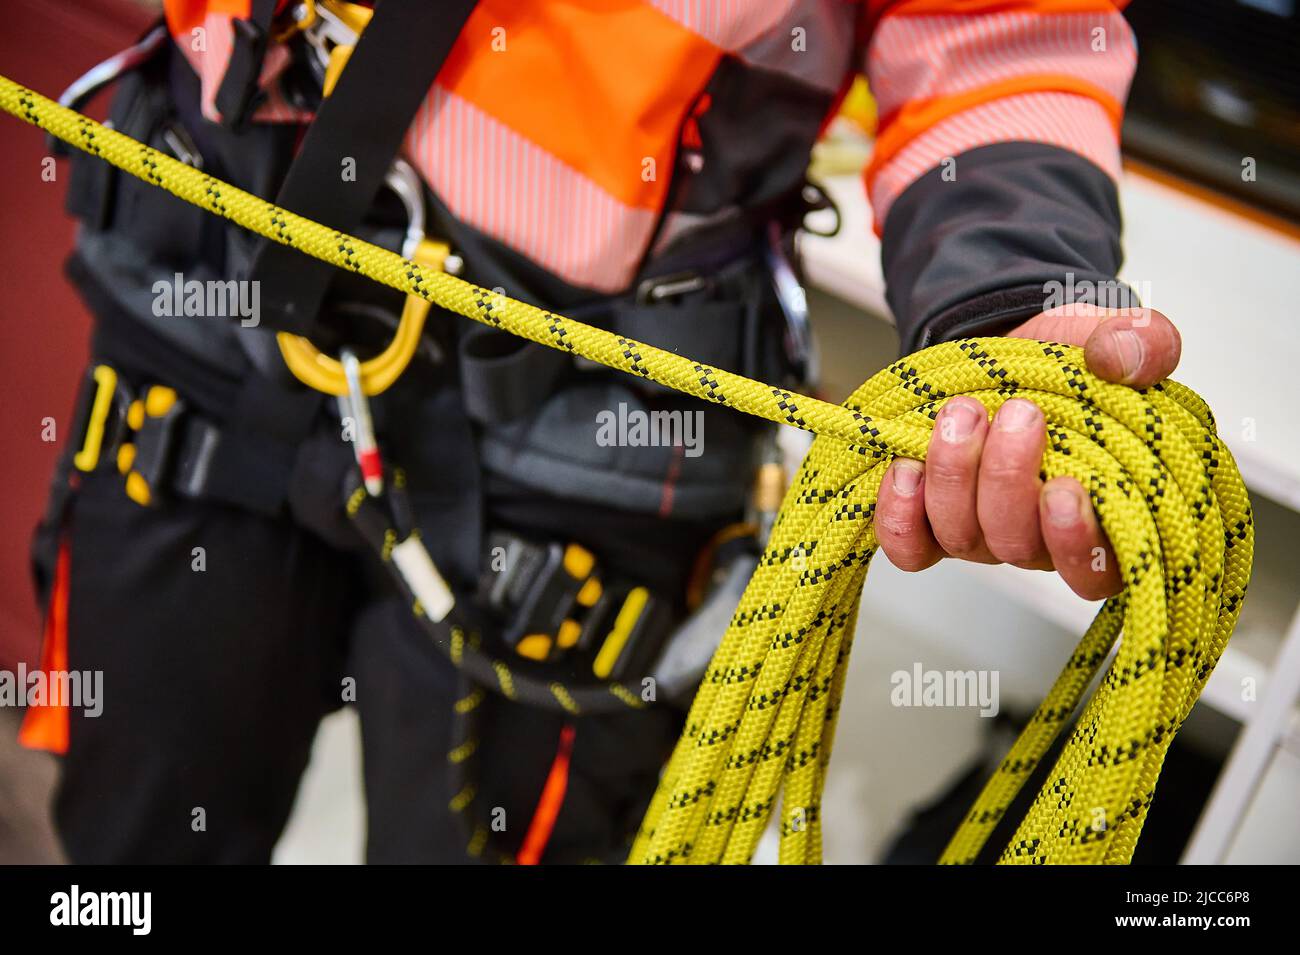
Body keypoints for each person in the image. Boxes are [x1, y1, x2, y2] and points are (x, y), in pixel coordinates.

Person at [20, 0, 1179, 863]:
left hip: (593, 429)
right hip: (221, 289)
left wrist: (1009, 308)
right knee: (133, 849)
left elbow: (997, 39)